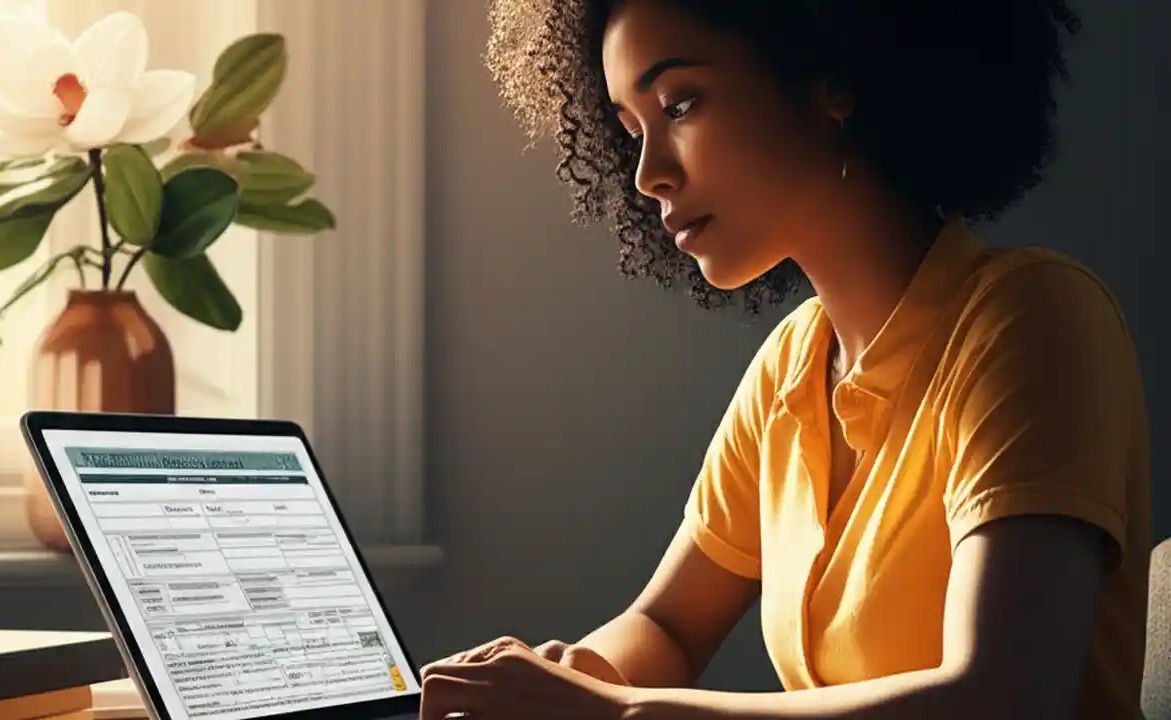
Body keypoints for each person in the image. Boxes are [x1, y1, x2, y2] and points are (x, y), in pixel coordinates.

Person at [419, 0, 1151, 717]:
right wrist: (562, 680)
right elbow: (666, 628)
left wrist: (620, 712)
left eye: (679, 105)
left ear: (830, 76)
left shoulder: (1033, 318)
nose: (647, 174)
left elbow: (1004, 696)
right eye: (630, 129)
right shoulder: (794, 365)